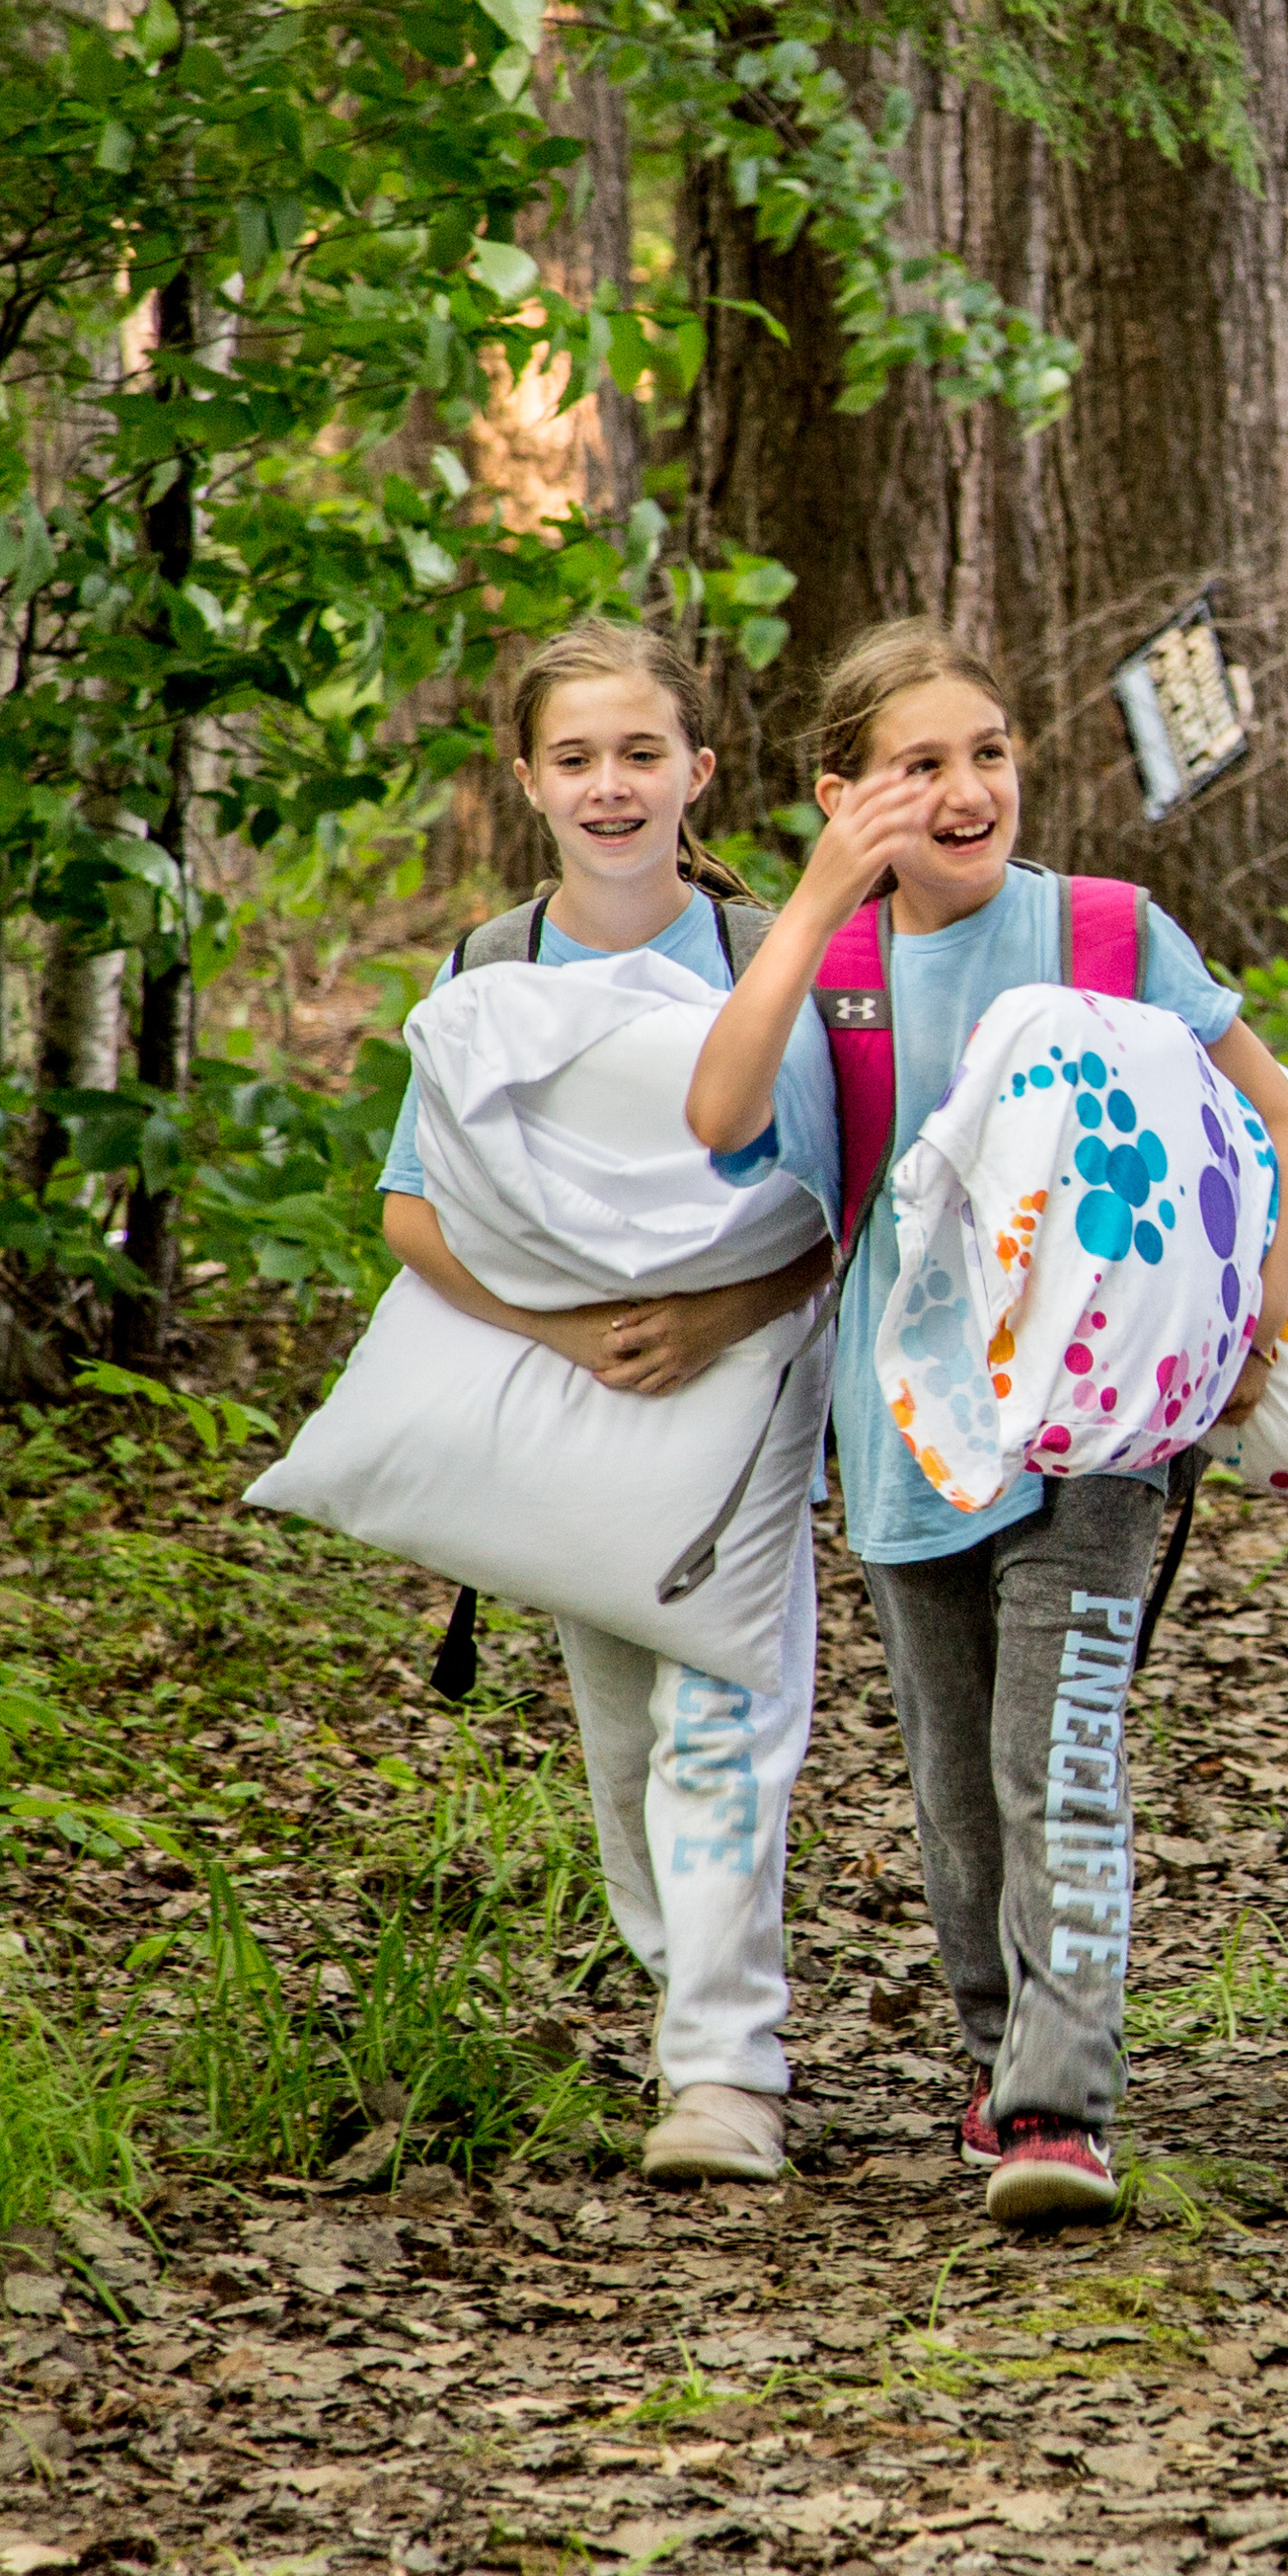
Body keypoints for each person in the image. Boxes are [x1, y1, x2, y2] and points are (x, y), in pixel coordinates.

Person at [677, 621, 1288, 2230]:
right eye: (919, 765)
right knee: (959, 1787)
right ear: (844, 797)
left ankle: (1059, 2101)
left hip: (1102, 1431)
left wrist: (1251, 1322)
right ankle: (996, 2063)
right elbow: (718, 1117)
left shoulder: (1106, 932)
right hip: (908, 1437)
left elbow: (1283, 1118)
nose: (968, 788)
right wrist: (822, 899)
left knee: (1062, 1755)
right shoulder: (831, 973)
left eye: (992, 752)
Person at [374, 623, 834, 2187]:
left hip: (750, 1381)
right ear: (527, 780)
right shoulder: (489, 966)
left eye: (642, 752)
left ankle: (724, 2068)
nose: (610, 784)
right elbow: (412, 1206)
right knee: (626, 1735)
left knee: (727, 1709)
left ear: (699, 770)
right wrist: (560, 1329)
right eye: (575, 756)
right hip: (571, 1393)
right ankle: (688, 1998)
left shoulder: (774, 949)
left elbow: (854, 1196)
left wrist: (718, 1312)